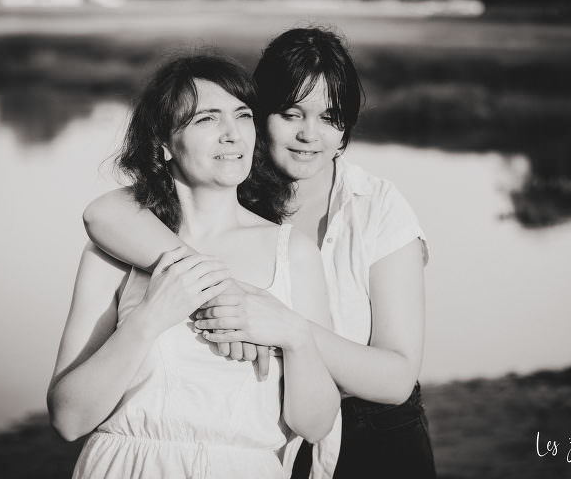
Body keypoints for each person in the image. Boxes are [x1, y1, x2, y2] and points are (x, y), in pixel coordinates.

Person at [83, 28, 437, 478]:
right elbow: (104, 213)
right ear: (259, 112)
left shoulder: (376, 206)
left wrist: (283, 326)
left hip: (374, 433)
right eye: (292, 114)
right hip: (265, 433)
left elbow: (395, 379)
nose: (311, 135)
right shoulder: (224, 185)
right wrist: (221, 292)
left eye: (330, 118)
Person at [47, 55, 339, 479]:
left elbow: (316, 425)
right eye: (207, 119)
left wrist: (296, 336)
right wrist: (150, 318)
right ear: (164, 142)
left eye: (243, 116)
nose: (232, 134)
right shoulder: (113, 254)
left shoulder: (291, 252)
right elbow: (68, 420)